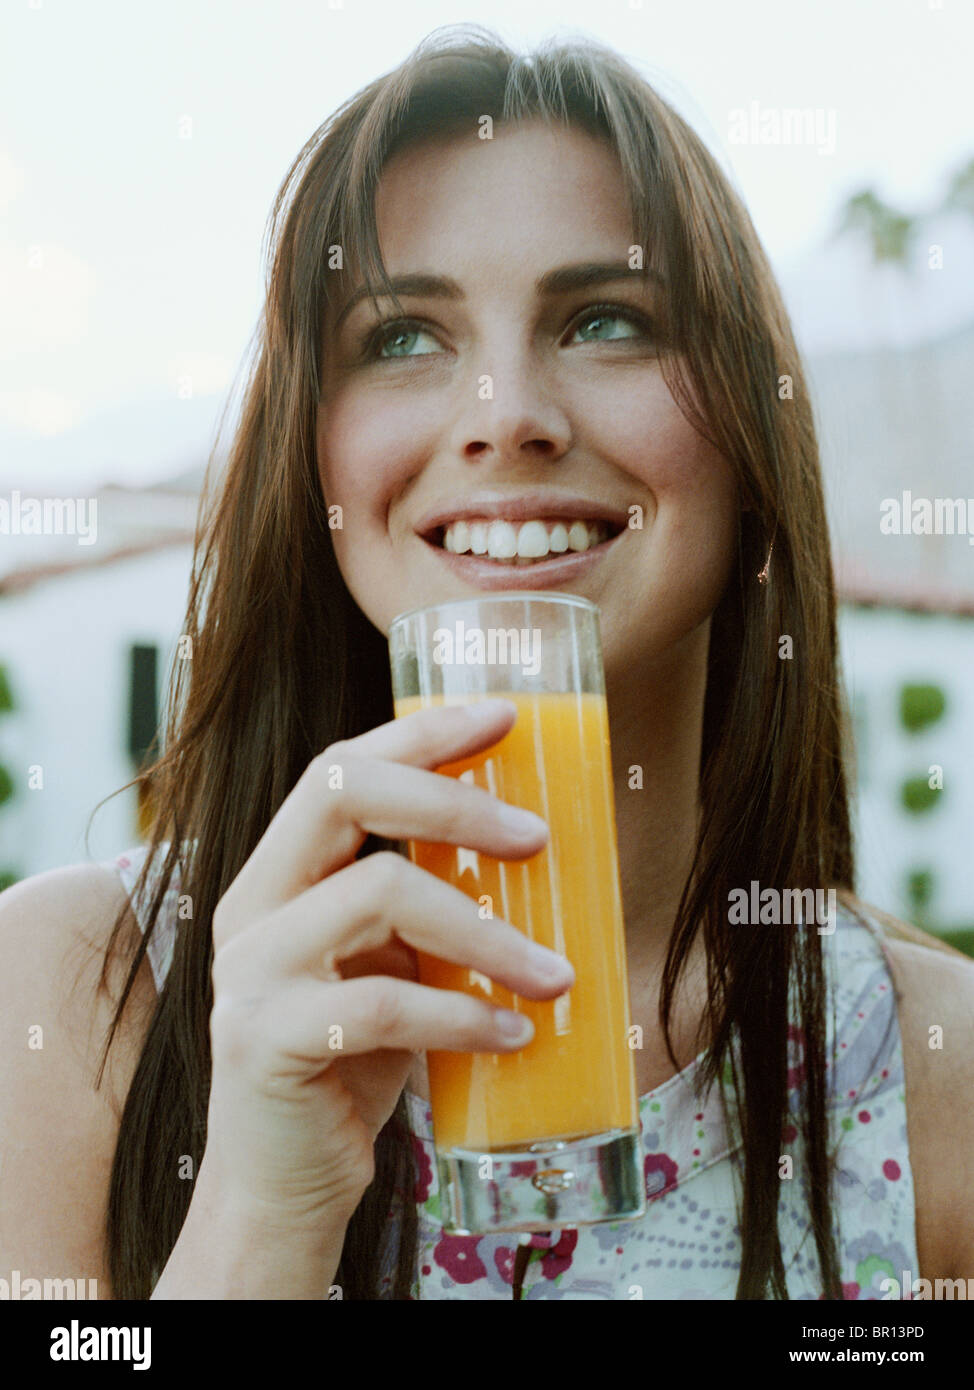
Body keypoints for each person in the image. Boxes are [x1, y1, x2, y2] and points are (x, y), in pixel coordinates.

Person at [2, 24, 972, 1302]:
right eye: (401, 336)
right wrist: (255, 1215)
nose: (505, 413)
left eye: (607, 318)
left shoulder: (928, 1075)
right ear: (314, 451)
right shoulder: (67, 1000)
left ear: (746, 430)